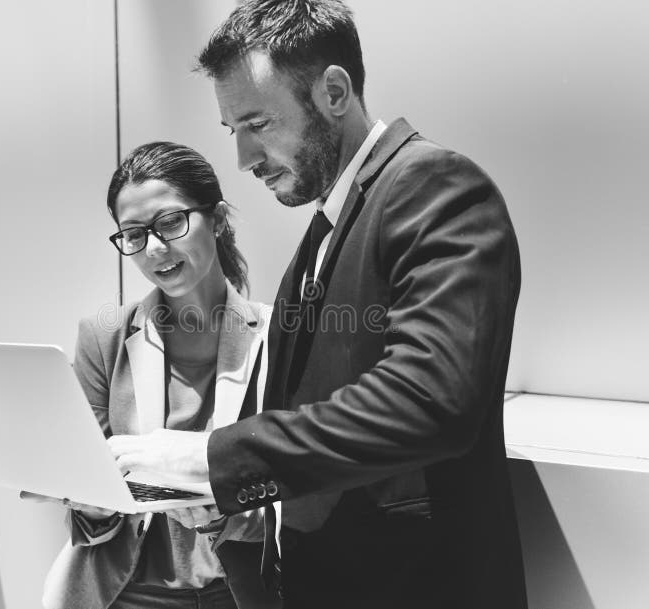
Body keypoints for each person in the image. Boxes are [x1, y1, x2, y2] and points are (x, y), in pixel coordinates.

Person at [108, 1, 528, 608]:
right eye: (235, 131)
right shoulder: (331, 223)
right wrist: (229, 495)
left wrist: (211, 460)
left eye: (258, 124)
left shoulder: (435, 186)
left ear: (334, 91)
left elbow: (429, 400)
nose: (244, 159)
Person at [33, 141, 281, 609]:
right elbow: (89, 521)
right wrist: (91, 505)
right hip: (128, 593)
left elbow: (298, 489)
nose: (155, 248)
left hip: (241, 591)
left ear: (219, 218)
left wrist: (229, 510)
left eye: (170, 223)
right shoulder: (102, 339)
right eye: (134, 234)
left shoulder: (275, 337)